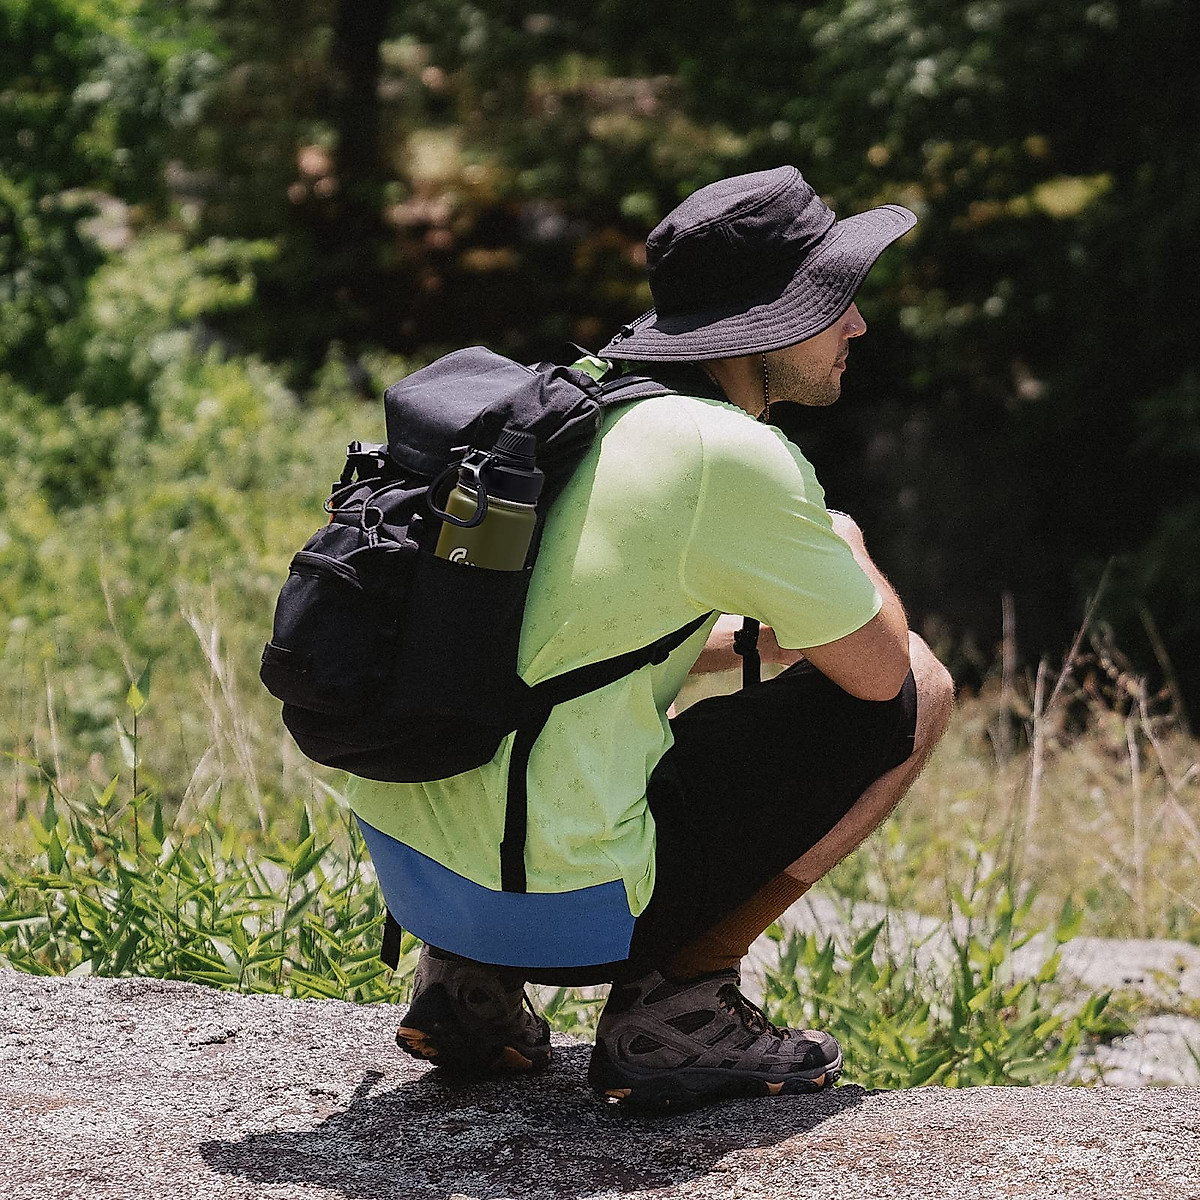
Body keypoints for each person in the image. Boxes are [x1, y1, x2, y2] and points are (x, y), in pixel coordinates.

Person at [348, 165, 955, 1107]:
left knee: (581, 717)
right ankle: (682, 1005)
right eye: (837, 301)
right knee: (924, 683)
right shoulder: (729, 454)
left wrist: (758, 644)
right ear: (776, 319)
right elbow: (880, 676)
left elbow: (559, 650)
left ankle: (469, 986)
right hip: (564, 912)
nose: (859, 326)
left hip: (419, 875)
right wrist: (847, 545)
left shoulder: (566, 410)